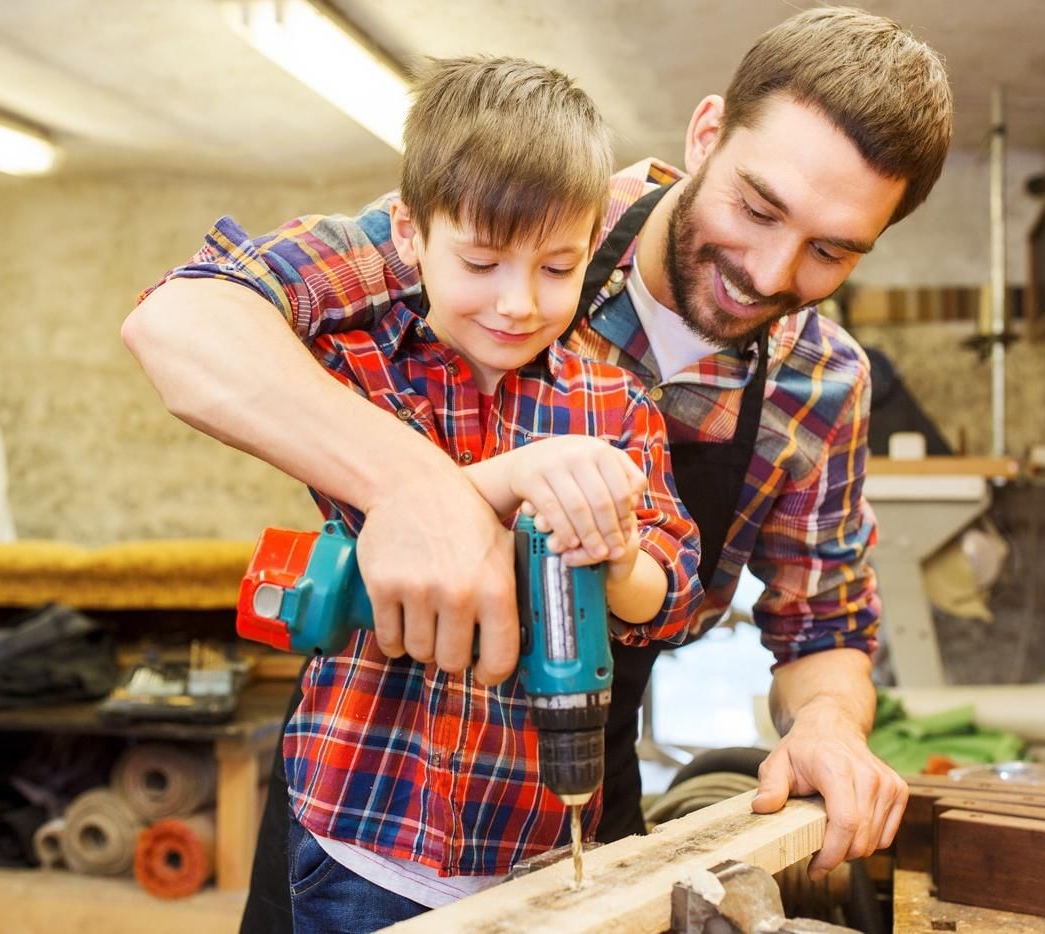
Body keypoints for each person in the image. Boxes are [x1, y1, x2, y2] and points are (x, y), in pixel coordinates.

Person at [124, 7, 953, 932]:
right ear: (707, 134)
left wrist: (829, 726)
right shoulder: (527, 211)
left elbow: (822, 626)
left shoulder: (823, 381)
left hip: (574, 786)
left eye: (830, 250)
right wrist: (426, 489)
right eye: (757, 208)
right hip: (371, 781)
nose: (768, 269)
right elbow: (186, 322)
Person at [134, 57, 703, 930]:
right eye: (481, 261)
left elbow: (669, 599)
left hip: (540, 840)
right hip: (365, 823)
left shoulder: (613, 405)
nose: (517, 303)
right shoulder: (355, 368)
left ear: (593, 248)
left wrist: (618, 554)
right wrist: (506, 481)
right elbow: (199, 322)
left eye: (557, 268)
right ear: (409, 234)